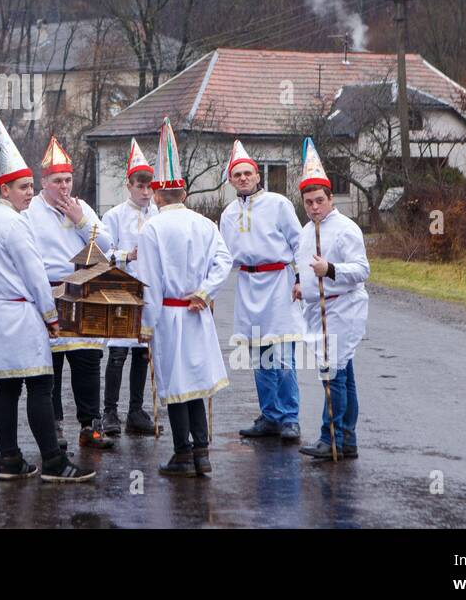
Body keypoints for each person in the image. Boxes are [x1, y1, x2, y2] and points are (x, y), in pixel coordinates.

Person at [0, 114, 95, 482]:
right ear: (5, 189)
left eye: (30, 186)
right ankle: (54, 463)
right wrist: (51, 316)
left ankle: (10, 460)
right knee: (41, 386)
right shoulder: (15, 223)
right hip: (19, 316)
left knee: (8, 386)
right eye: (23, 186)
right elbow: (34, 275)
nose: (29, 192)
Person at [138, 117, 232, 476]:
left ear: (158, 195)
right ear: (185, 194)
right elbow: (224, 260)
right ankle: (202, 452)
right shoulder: (204, 224)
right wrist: (206, 291)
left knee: (176, 383)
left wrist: (146, 327)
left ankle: (183, 452)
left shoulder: (152, 228)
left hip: (168, 314)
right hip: (196, 312)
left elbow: (149, 282)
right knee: (194, 380)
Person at [25, 135, 115, 451]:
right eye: (58, 181)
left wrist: (80, 221)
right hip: (48, 294)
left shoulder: (82, 208)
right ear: (43, 182)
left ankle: (90, 425)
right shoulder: (29, 212)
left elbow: (106, 247)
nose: (64, 186)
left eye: (68, 179)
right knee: (52, 366)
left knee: (88, 361)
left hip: (82, 293)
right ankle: (55, 428)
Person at [219, 139, 304, 442]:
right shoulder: (228, 213)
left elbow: (299, 244)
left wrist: (300, 280)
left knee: (282, 354)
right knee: (260, 355)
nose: (243, 178)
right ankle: (270, 415)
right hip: (248, 285)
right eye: (237, 175)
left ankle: (290, 418)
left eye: (247, 173)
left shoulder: (279, 204)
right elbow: (223, 256)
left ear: (257, 176)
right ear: (231, 180)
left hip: (278, 284)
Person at [292, 138, 370, 461]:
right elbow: (303, 260)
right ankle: (347, 438)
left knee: (332, 373)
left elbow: (362, 270)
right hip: (318, 309)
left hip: (342, 308)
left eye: (319, 200)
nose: (314, 207)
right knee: (343, 372)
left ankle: (331, 436)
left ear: (330, 197)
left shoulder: (346, 229)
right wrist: (300, 282)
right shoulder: (308, 229)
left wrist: (331, 269)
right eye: (308, 202)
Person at [100, 138, 159, 437]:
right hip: (123, 290)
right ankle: (110, 411)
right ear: (129, 185)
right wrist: (126, 255)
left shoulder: (158, 214)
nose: (146, 192)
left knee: (143, 353)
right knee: (119, 352)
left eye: (150, 187)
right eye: (140, 186)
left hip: (149, 292)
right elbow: (100, 253)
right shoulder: (114, 216)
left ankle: (136, 410)